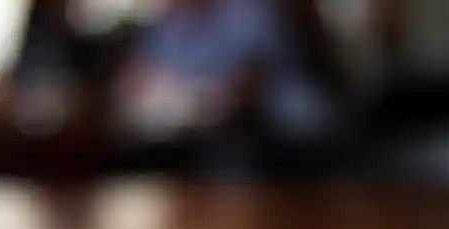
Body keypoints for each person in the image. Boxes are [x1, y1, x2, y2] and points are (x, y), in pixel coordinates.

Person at [110, 0, 336, 176]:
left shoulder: (247, 11)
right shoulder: (167, 21)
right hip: (188, 128)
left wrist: (200, 110)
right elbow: (133, 80)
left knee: (231, 157)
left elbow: (250, 84)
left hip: (273, 120)